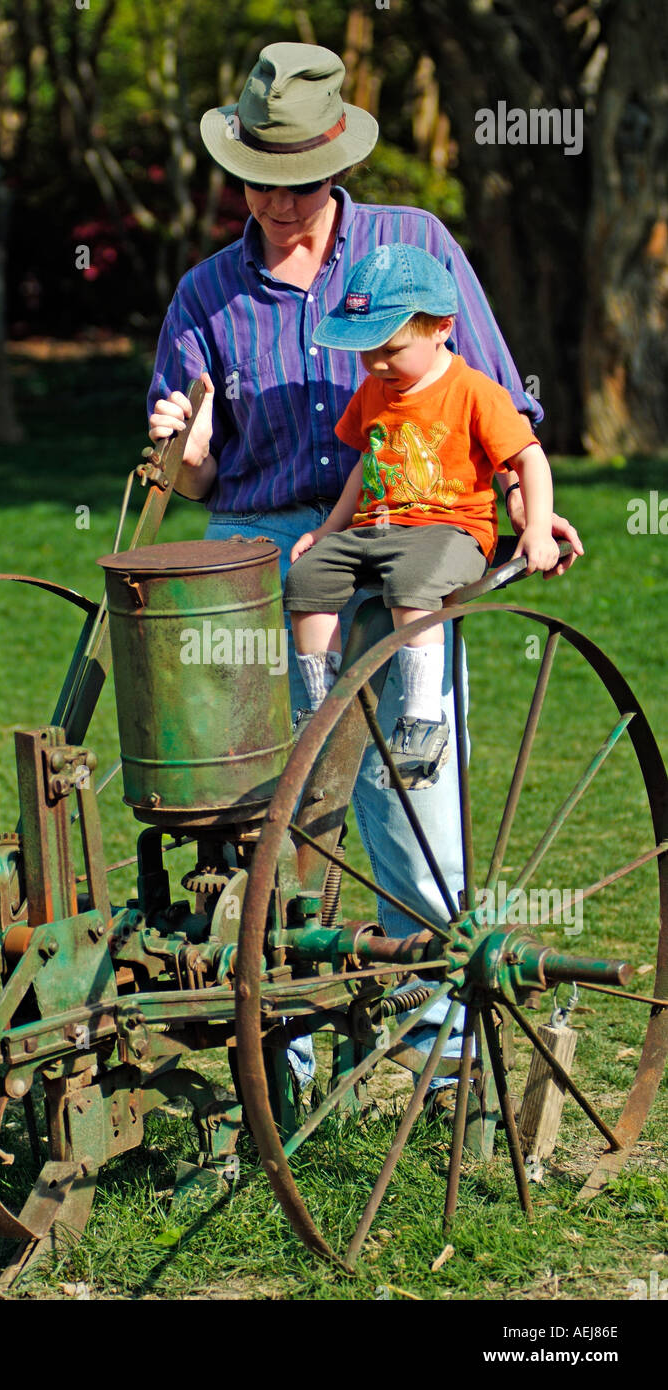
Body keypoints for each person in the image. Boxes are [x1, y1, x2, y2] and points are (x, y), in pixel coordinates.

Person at [147, 42, 582, 1089]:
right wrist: (183, 453)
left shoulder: (410, 246)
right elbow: (191, 475)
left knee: (407, 785)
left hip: (406, 526)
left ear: (335, 162)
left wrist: (531, 511)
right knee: (259, 804)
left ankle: (434, 1038)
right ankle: (278, 1047)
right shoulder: (207, 294)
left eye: (300, 181)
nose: (281, 201)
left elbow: (494, 401)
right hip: (258, 552)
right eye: (261, 178)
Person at [285, 243, 560, 787]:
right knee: (306, 578)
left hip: (450, 531)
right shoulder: (374, 390)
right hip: (373, 529)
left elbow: (530, 457)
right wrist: (327, 530)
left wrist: (535, 528)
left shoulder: (474, 392)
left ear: (442, 327)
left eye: (391, 348)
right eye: (366, 351)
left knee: (413, 582)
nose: (378, 362)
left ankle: (421, 720)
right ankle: (323, 712)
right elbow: (364, 465)